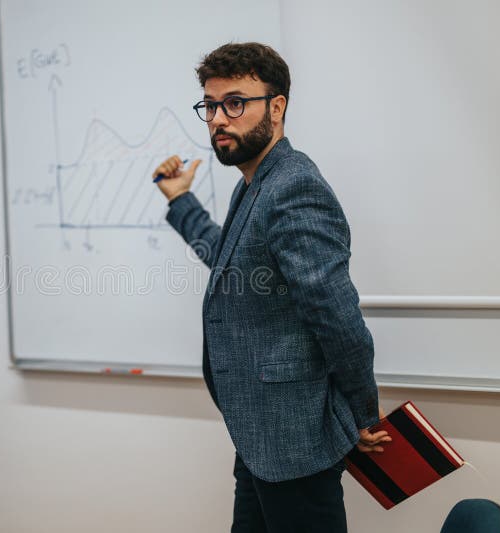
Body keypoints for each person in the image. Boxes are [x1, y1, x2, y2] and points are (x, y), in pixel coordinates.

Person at [153, 43, 390, 532]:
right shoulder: (256, 182)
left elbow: (335, 313)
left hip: (295, 442)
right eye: (211, 105)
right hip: (261, 439)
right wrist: (181, 202)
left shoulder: (293, 185)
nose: (219, 118)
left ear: (276, 107)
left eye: (235, 102)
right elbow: (232, 262)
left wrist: (363, 411)